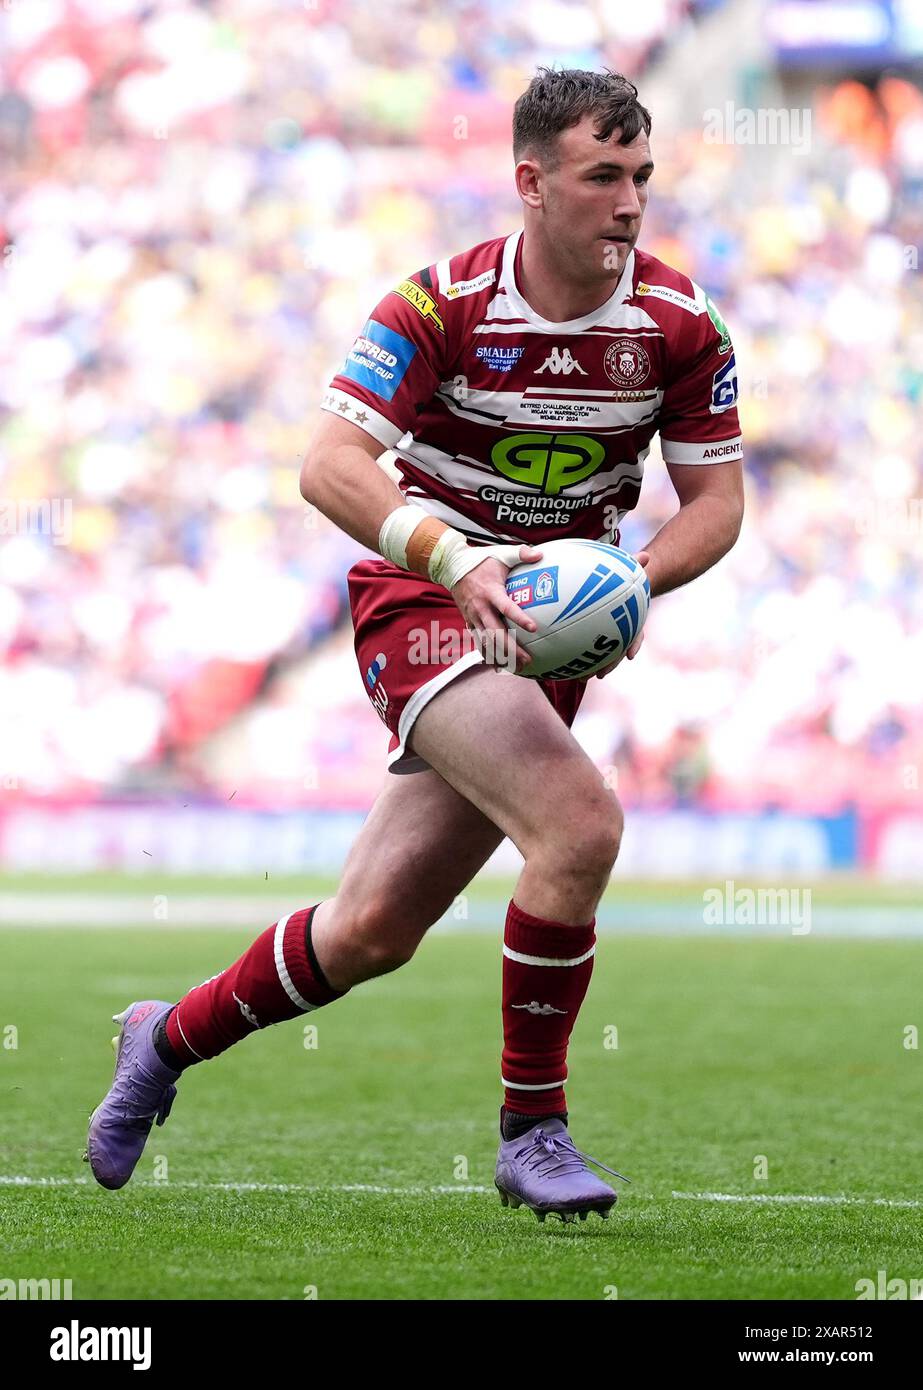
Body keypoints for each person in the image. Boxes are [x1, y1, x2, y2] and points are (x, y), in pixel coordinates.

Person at [85, 67, 744, 1224]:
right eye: (604, 177)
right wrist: (455, 559)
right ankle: (531, 1131)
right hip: (427, 597)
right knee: (579, 825)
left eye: (642, 177)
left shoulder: (680, 325)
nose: (631, 203)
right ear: (530, 185)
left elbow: (715, 504)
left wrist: (633, 579)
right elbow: (327, 463)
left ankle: (165, 1035)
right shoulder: (436, 305)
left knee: (374, 929)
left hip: (550, 630)